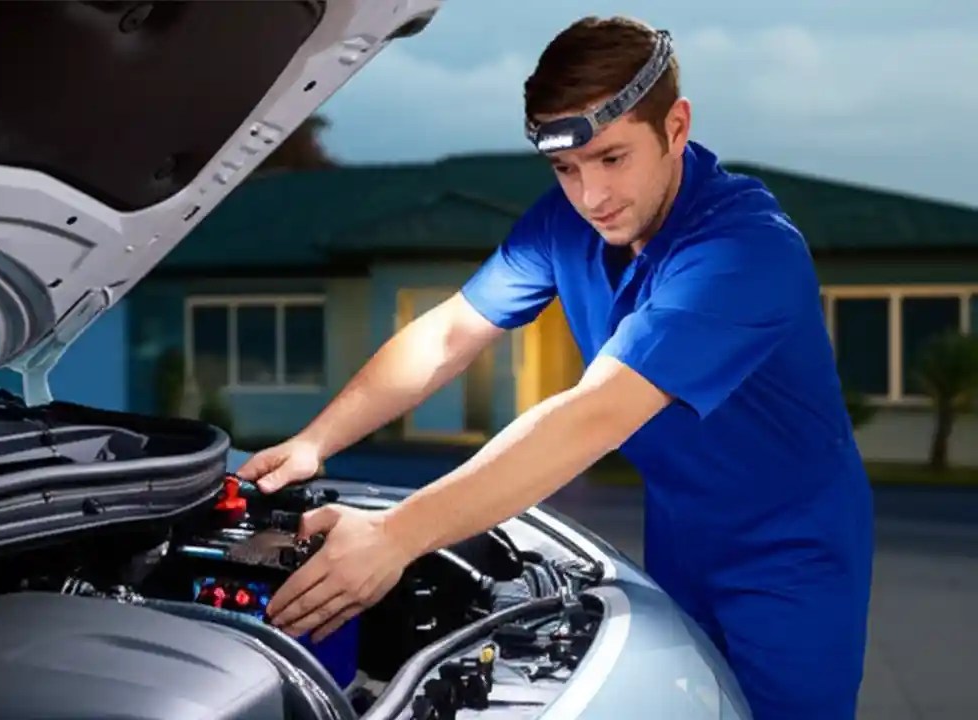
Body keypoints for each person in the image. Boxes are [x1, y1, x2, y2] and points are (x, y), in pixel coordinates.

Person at [237, 15, 874, 720]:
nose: (590, 196)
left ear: (676, 127)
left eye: (612, 158)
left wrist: (396, 535)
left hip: (790, 553)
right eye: (565, 169)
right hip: (679, 532)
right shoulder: (566, 223)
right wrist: (315, 441)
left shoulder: (746, 253)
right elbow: (449, 334)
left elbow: (594, 415)